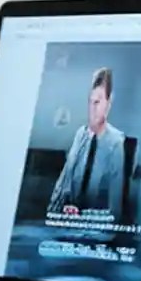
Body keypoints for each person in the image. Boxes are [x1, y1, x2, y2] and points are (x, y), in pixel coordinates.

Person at [47, 67, 127, 219]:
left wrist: (83, 215)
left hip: (96, 225)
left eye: (97, 102)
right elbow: (64, 182)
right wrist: (55, 213)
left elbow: (115, 204)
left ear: (108, 103)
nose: (93, 108)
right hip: (67, 221)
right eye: (90, 102)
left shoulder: (116, 142)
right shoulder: (81, 135)